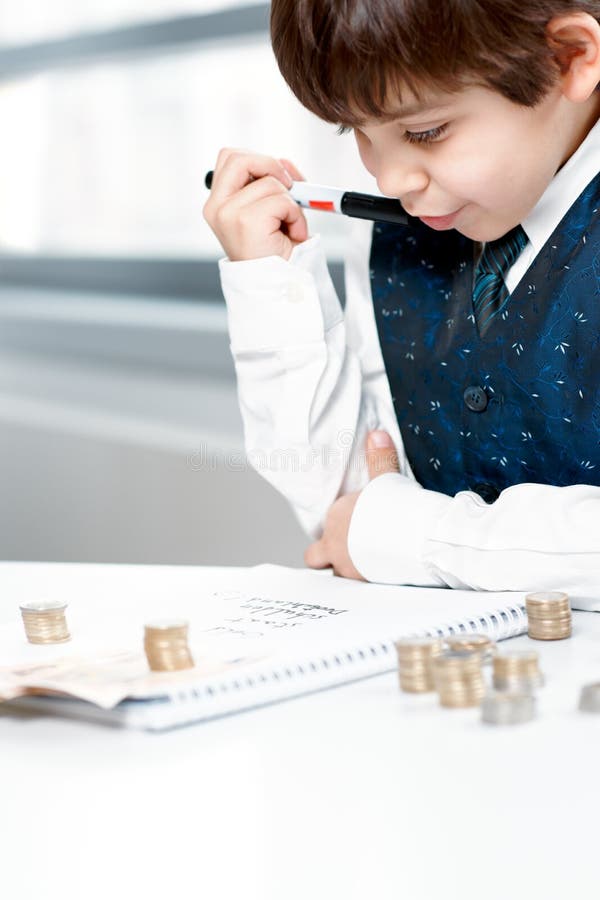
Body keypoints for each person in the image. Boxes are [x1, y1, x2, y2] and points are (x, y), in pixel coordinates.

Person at [203, 1, 600, 605]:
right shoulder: (400, 234)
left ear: (569, 57)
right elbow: (348, 515)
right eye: (357, 132)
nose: (390, 181)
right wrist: (273, 282)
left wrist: (419, 538)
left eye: (425, 132)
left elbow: (386, 532)